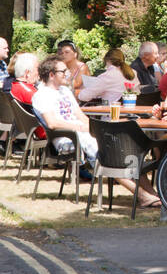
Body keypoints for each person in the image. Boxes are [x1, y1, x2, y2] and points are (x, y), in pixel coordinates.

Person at [32, 55, 158, 205]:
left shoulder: (65, 91)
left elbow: (81, 116)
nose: (68, 73)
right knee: (111, 155)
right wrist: (81, 127)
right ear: (52, 75)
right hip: (66, 136)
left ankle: (153, 195)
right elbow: (52, 123)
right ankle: (142, 196)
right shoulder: (41, 95)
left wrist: (95, 128)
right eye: (63, 71)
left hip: (82, 132)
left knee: (124, 148)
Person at [75, 47, 139, 105]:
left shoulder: (108, 76)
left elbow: (85, 96)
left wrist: (79, 93)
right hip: (132, 113)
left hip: (111, 114)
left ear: (107, 60)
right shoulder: (133, 73)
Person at [10, 52, 46, 139]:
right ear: (27, 73)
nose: (39, 72)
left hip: (25, 130)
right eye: (37, 69)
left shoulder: (12, 87)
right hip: (42, 132)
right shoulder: (29, 92)